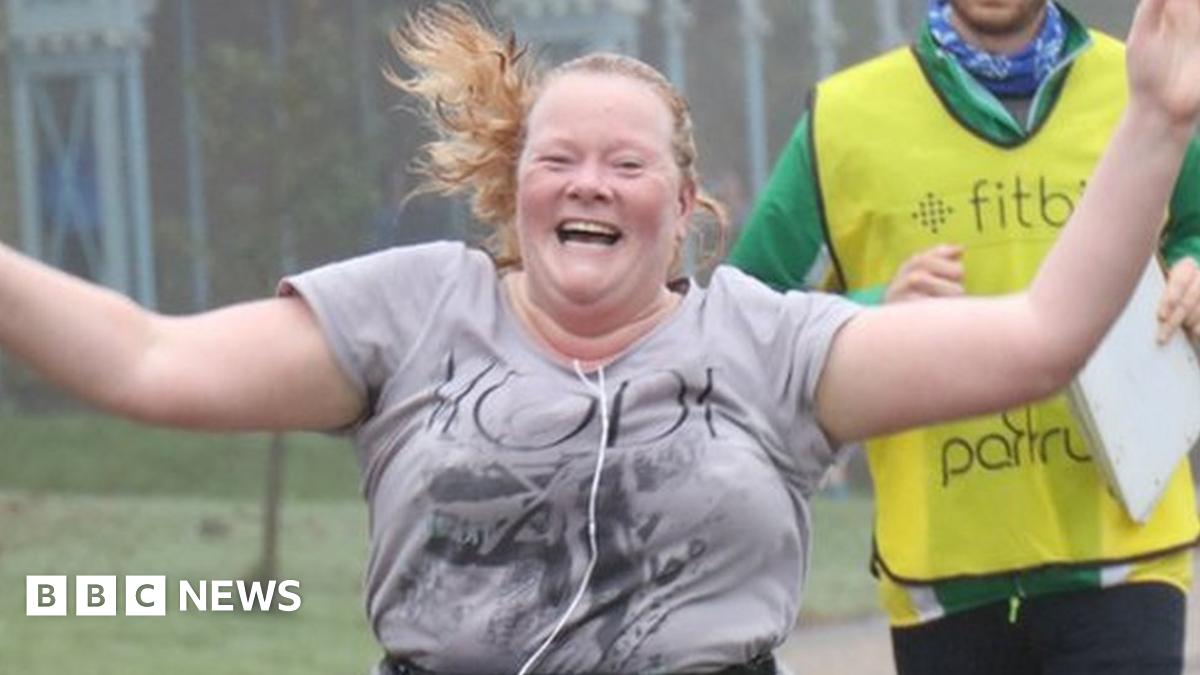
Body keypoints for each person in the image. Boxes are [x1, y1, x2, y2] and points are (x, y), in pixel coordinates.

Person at [1, 2, 1197, 673]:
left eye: (629, 164)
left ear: (684, 209)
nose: (592, 183)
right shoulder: (416, 312)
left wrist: (1149, 121)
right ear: (513, 193)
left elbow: (1045, 335)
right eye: (558, 159)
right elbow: (143, 358)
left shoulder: (766, 342)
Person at [730, 1, 1200, 673]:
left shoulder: (1143, 82)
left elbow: (1195, 227)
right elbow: (743, 317)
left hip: (1128, 556)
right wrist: (872, 309)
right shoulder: (844, 116)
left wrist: (1192, 268)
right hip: (943, 579)